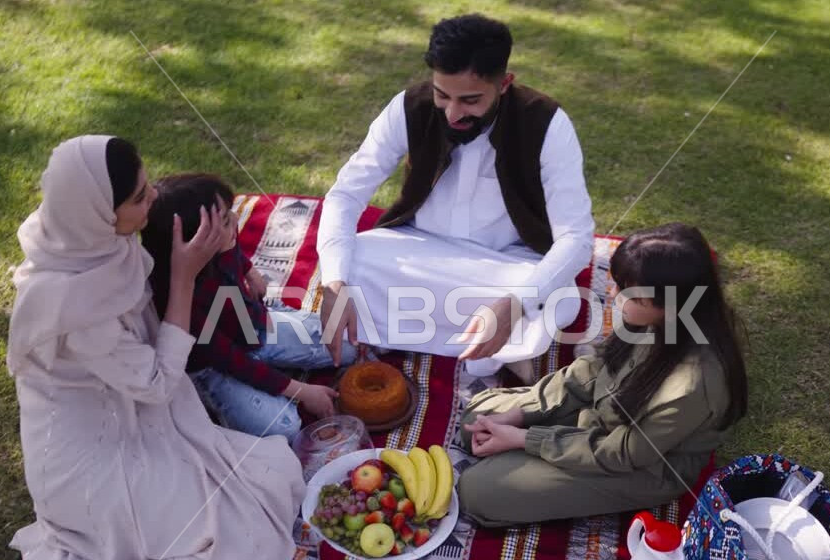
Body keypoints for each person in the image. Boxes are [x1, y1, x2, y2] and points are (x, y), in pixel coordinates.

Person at [6, 136, 304, 560]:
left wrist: (228, 264)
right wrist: (183, 277)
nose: (153, 199)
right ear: (100, 213)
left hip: (139, 422)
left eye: (148, 187)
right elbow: (159, 382)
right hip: (93, 465)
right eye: (140, 197)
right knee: (257, 551)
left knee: (279, 473)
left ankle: (95, 558)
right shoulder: (73, 307)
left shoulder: (89, 236)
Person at [317, 14, 595, 381]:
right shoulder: (409, 107)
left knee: (560, 299)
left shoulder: (547, 124)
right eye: (442, 95)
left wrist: (514, 304)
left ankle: (404, 333)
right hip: (418, 249)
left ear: (504, 84)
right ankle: (497, 351)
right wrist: (336, 283)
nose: (452, 114)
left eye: (470, 100)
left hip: (505, 262)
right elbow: (345, 195)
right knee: (346, 264)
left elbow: (576, 238)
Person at [455, 223, 748, 527]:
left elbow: (622, 453)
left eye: (630, 295)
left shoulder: (691, 385)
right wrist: (521, 413)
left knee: (478, 490)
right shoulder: (655, 317)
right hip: (602, 414)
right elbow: (596, 368)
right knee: (477, 419)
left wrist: (524, 439)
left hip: (638, 465)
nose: (614, 295)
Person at [140, 173, 356, 439]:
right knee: (283, 427)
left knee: (345, 345)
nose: (235, 221)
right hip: (214, 367)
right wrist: (302, 391)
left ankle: (275, 339)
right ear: (195, 241)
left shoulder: (222, 243)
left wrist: (249, 270)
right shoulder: (179, 299)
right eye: (225, 220)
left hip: (249, 324)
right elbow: (230, 359)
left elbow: (233, 253)